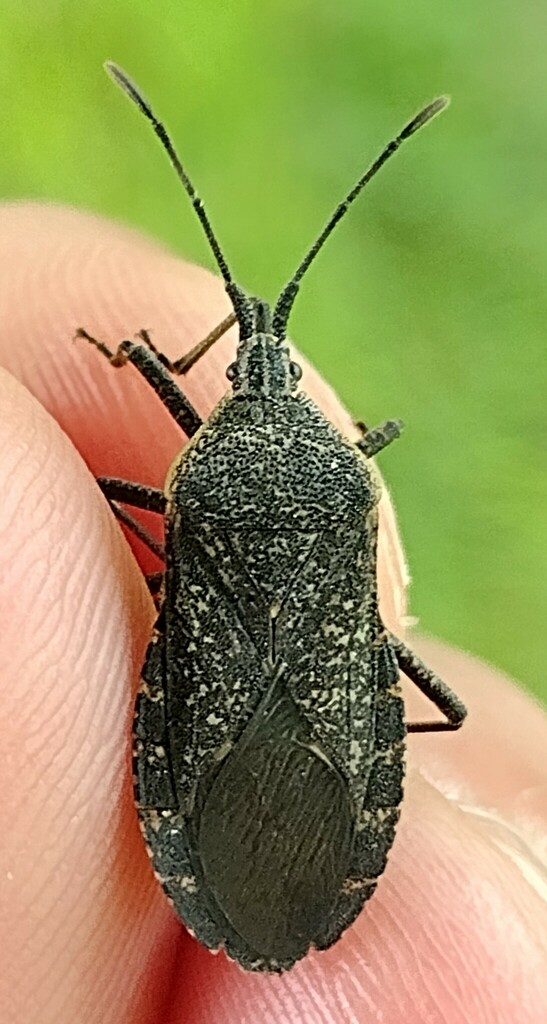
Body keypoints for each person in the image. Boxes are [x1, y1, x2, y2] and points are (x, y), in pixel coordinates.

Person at [1, 205, 545, 1023]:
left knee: (92, 483)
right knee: (453, 707)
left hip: (203, 689)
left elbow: (116, 476)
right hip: (324, 713)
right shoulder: (342, 480)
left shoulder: (229, 479)